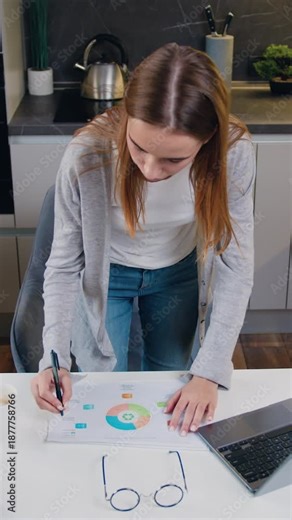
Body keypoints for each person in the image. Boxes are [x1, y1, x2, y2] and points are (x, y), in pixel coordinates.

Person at [31, 43, 255, 435]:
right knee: (106, 385)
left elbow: (236, 262)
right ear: (127, 117)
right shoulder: (88, 154)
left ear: (207, 141)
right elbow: (65, 263)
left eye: (173, 160)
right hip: (105, 278)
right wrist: (55, 357)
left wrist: (211, 370)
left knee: (175, 382)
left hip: (176, 272)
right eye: (139, 147)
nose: (151, 170)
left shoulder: (233, 153)